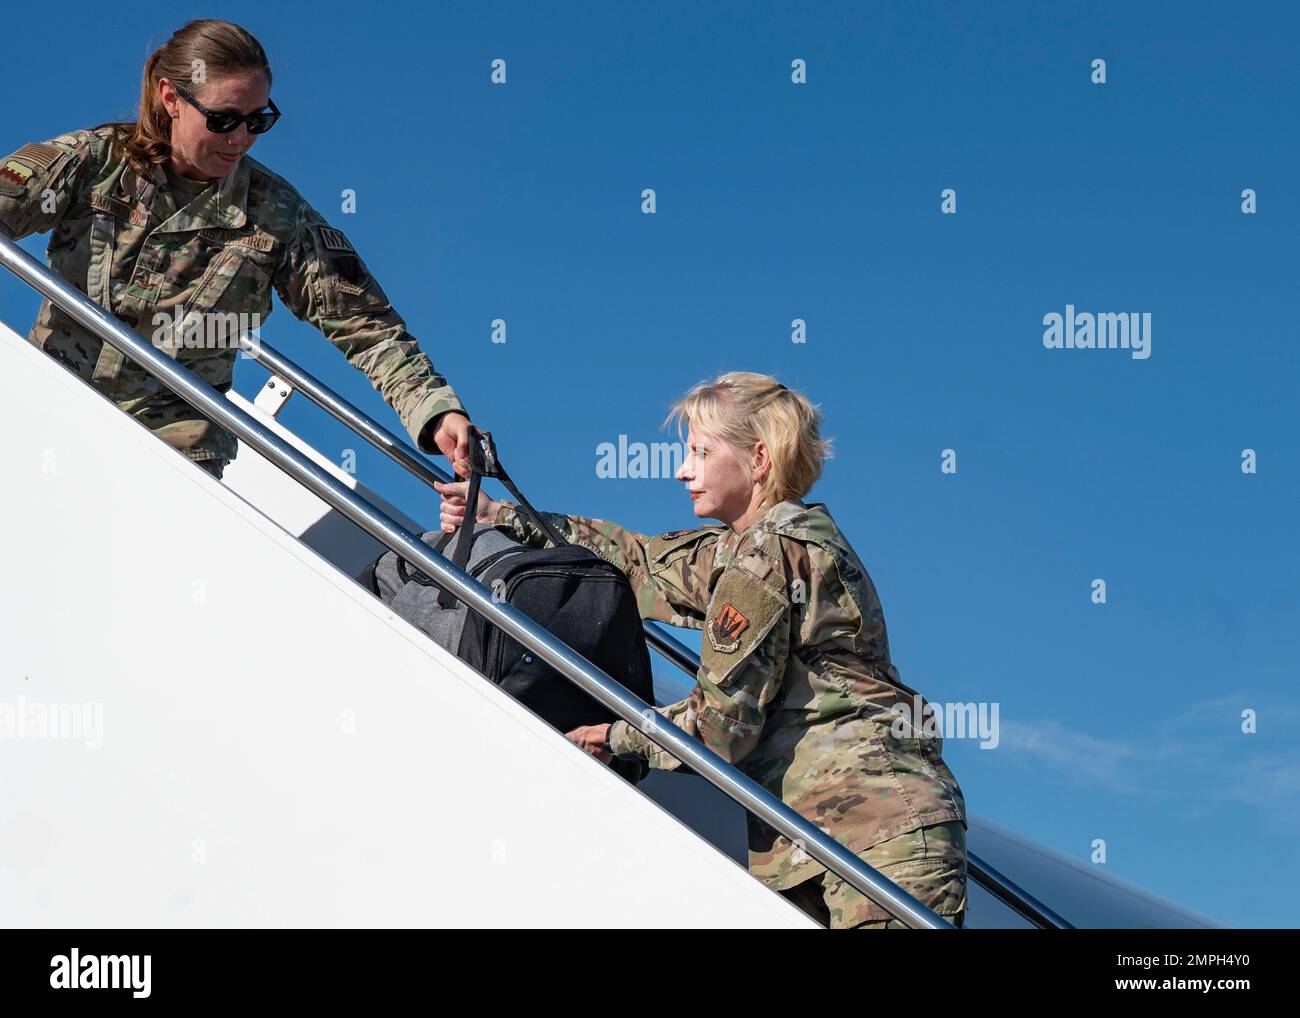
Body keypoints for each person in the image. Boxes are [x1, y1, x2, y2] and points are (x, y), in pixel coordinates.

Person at [436, 371, 968, 928]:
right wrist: (505, 518)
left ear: (758, 459)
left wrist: (615, 737)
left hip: (874, 832)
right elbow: (639, 563)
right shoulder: (755, 547)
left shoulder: (764, 559)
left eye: (700, 452)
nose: (682, 470)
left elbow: (721, 729)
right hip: (811, 842)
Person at [0, 19, 477, 481]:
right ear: (171, 98)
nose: (240, 139)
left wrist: (436, 412)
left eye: (258, 121)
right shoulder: (95, 162)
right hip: (47, 404)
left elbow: (366, 326)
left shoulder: (279, 218)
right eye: (224, 119)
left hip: (173, 460)